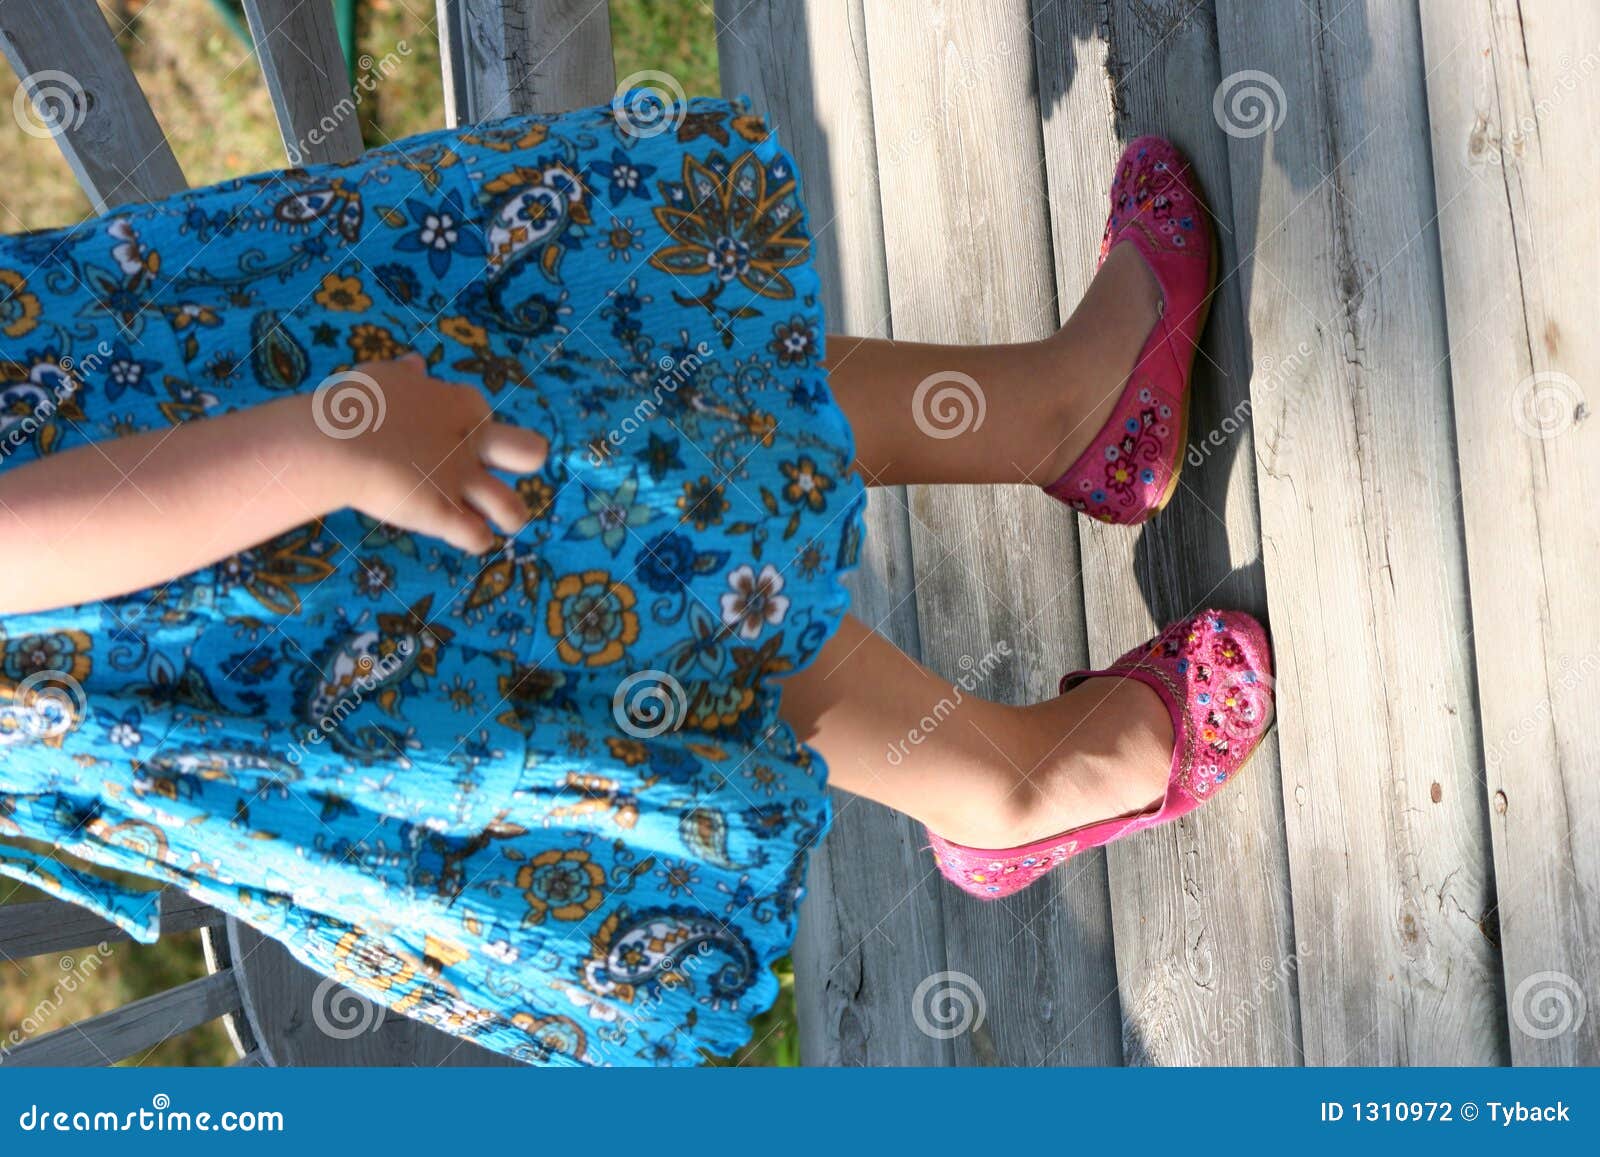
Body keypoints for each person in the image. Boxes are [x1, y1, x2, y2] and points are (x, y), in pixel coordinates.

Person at [0, 99, 1271, 1065]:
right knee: (604, 596)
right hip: (154, 576)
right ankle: (1008, 784)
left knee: (591, 388)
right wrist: (309, 440)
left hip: (112, 393)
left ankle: (1053, 415)